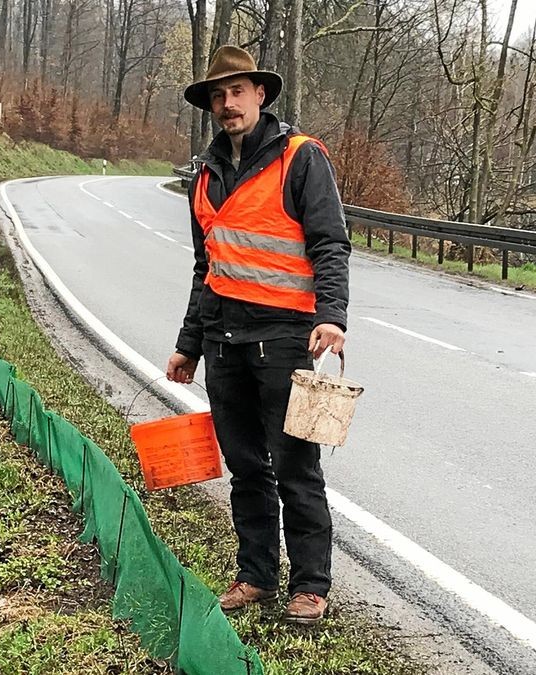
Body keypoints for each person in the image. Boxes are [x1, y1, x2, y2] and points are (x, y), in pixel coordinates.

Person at [165, 45, 351, 624]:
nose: (228, 104)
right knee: (246, 468)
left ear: (260, 95)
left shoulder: (301, 158)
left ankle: (310, 585)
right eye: (218, 96)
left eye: (237, 92)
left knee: (296, 467)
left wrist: (331, 315)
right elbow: (207, 268)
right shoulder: (204, 174)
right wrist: (189, 344)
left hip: (286, 340)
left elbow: (330, 244)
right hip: (224, 343)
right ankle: (256, 576)